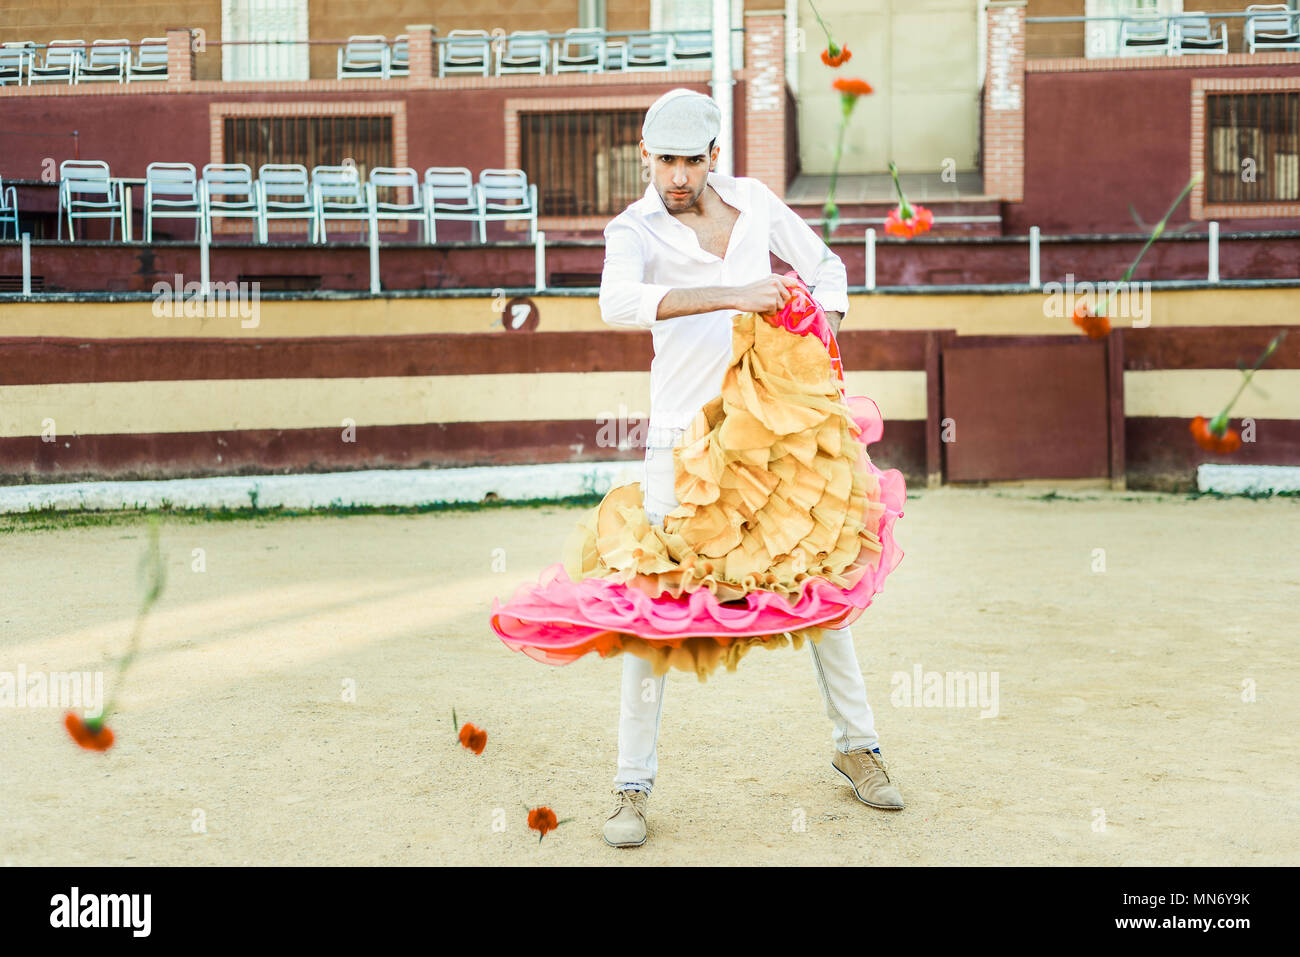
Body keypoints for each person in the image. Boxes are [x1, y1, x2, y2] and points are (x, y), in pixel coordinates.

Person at [595, 88, 903, 849]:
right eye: (663, 160)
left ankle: (856, 745)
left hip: (770, 433)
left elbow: (825, 266)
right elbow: (617, 302)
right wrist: (740, 294)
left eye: (689, 161)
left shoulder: (757, 203)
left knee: (821, 582)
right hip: (680, 438)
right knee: (654, 605)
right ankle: (632, 787)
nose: (675, 176)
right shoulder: (630, 227)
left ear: (714, 158)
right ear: (646, 156)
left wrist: (819, 327)